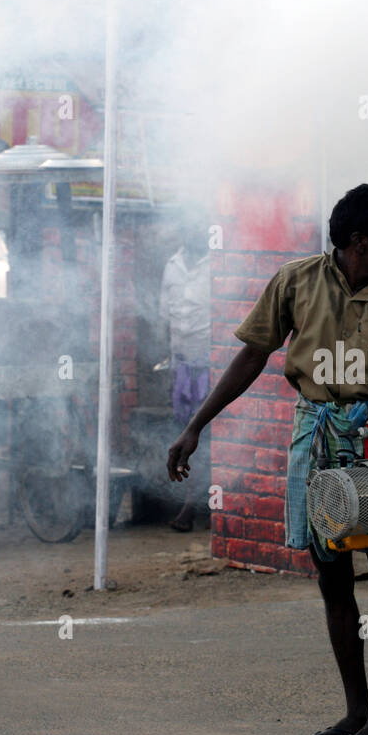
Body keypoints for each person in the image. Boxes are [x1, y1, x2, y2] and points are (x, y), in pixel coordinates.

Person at [167, 184, 368, 735]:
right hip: (313, 438)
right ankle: (355, 713)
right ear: (359, 242)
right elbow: (252, 355)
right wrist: (195, 425)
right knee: (332, 580)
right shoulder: (296, 282)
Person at [157, 210, 212, 531]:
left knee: (204, 434)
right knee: (185, 433)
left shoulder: (215, 266)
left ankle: (193, 505)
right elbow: (166, 317)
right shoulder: (172, 265)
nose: (192, 235)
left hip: (210, 367)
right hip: (181, 366)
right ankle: (192, 501)